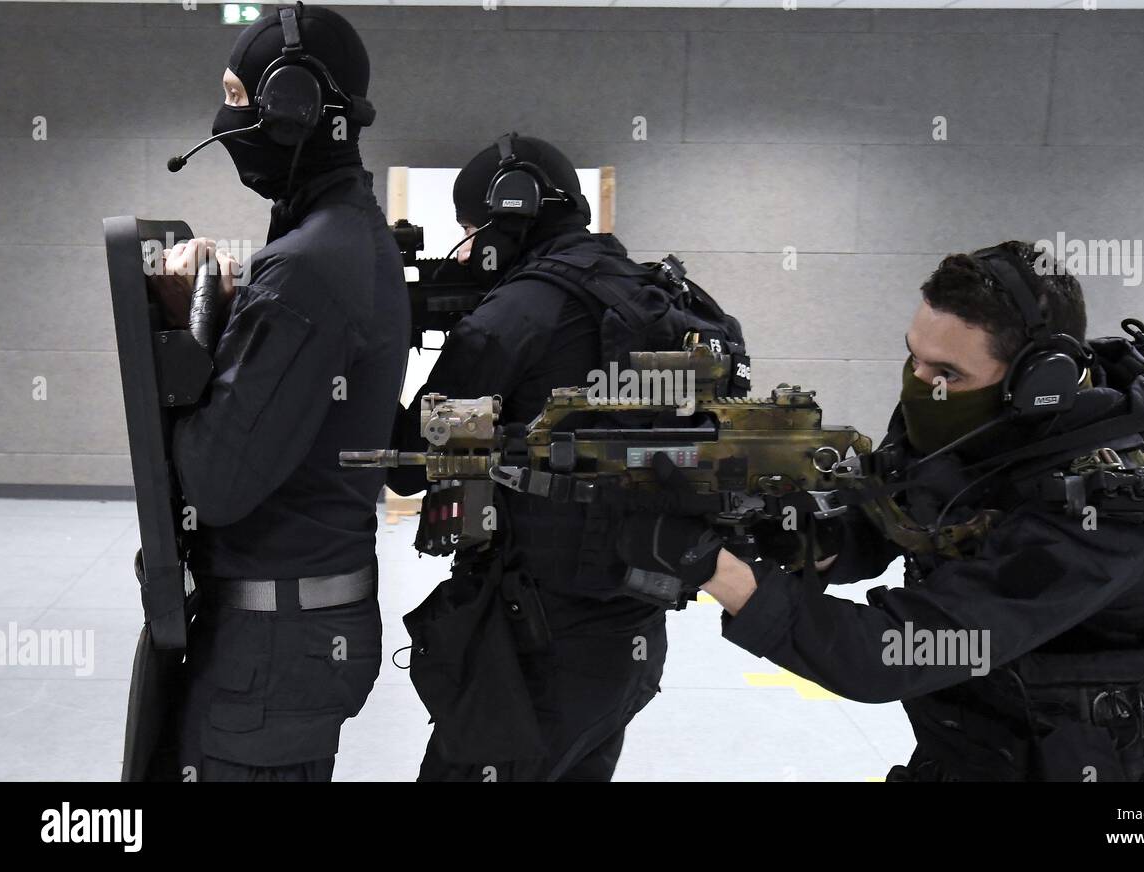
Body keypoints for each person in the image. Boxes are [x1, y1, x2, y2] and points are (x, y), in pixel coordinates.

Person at [617, 241, 1144, 782]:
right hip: (977, 732)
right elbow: (894, 518)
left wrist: (708, 566)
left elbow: (890, 652)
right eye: (914, 357)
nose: (921, 383)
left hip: (1073, 762)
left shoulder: (1110, 506)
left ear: (1040, 380)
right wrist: (765, 521)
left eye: (946, 370)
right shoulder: (979, 422)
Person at [390, 133, 747, 781]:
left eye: (472, 229)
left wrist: (381, 350)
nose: (469, 250)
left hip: (536, 648)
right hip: (631, 633)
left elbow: (410, 465)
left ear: (511, 211)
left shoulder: (515, 313)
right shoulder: (659, 298)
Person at [146, 3, 409, 781]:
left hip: (275, 640)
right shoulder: (347, 238)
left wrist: (191, 332)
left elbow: (215, 482)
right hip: (299, 628)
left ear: (291, 105)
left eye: (236, 96)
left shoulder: (306, 267)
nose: (223, 119)